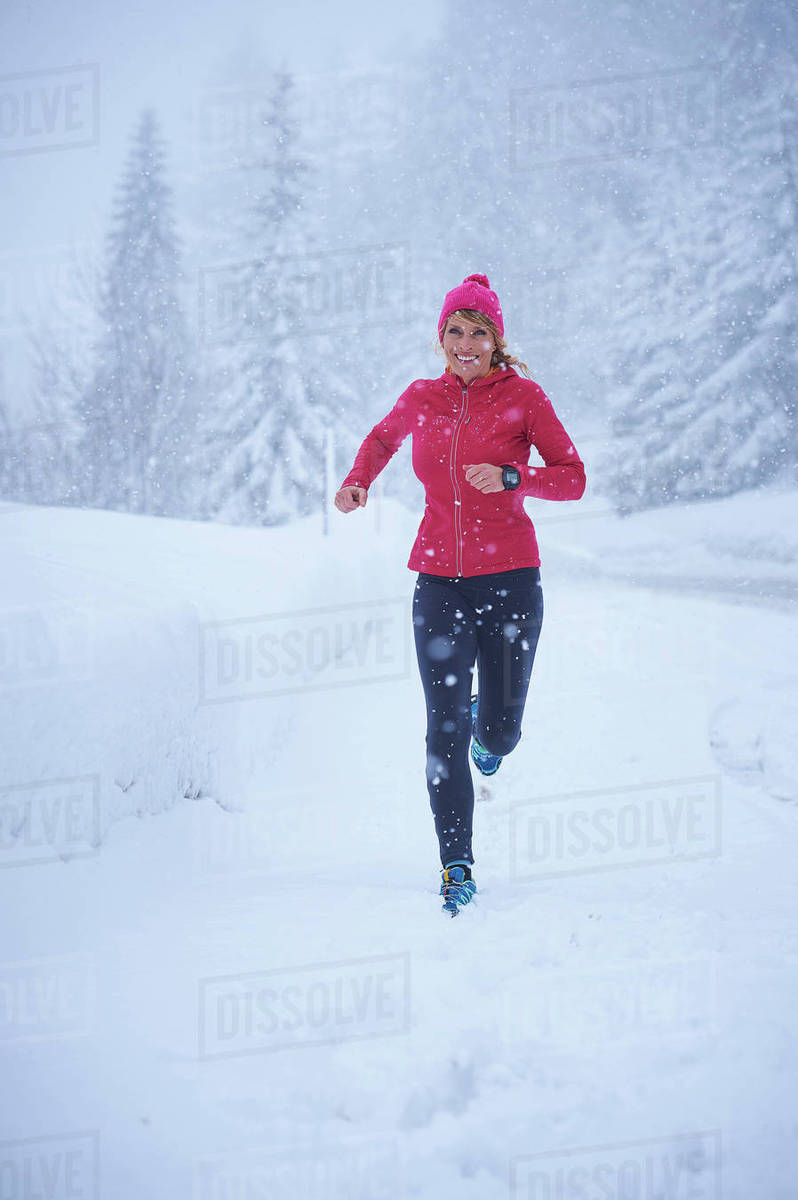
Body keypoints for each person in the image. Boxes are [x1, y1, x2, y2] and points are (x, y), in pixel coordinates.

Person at [334, 273, 586, 917]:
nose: (464, 343)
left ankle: (489, 731)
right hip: (438, 586)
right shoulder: (423, 397)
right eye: (454, 331)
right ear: (439, 337)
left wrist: (512, 475)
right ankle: (456, 865)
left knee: (499, 735)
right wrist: (360, 479)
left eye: (477, 333)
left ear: (496, 341)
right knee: (439, 732)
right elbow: (383, 437)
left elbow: (572, 478)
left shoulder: (524, 398)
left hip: (509, 584)